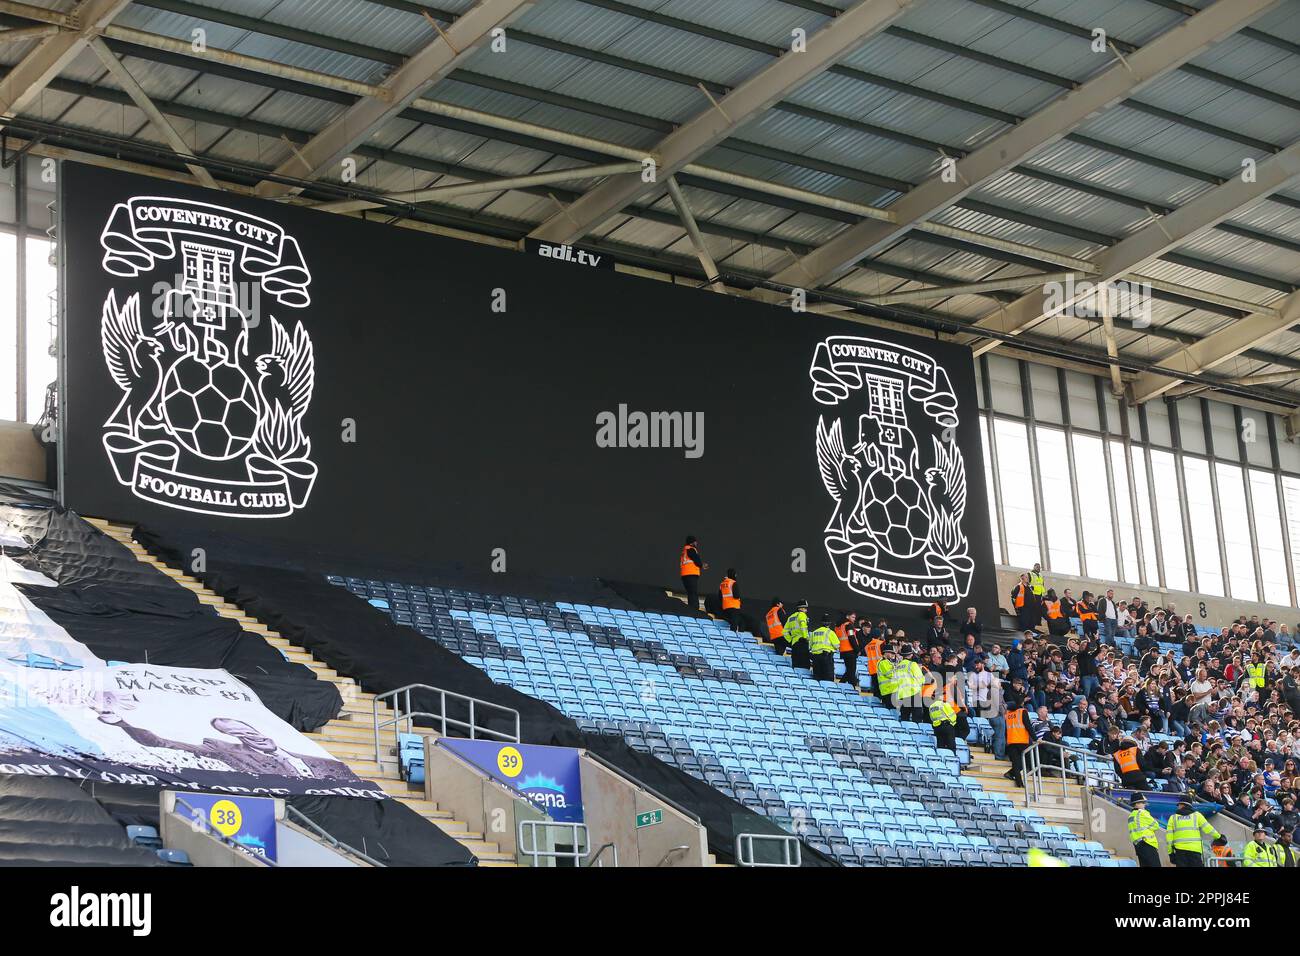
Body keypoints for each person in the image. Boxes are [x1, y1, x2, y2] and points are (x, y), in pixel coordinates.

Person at [1166, 798, 1221, 867]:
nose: (1178, 807)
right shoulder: (1197, 815)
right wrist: (1219, 837)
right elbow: (1208, 828)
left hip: (1180, 852)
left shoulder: (1173, 818)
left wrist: (1170, 853)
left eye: (1179, 805)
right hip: (1195, 850)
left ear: (1183, 805)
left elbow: (1169, 837)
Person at [1127, 794, 1161, 868]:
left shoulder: (1131, 816)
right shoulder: (1142, 813)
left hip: (1138, 845)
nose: (1144, 804)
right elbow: (1156, 826)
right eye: (1142, 802)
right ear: (1137, 803)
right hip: (1148, 844)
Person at [1004, 704, 1031, 787]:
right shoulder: (1022, 712)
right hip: (1021, 741)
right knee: (1025, 762)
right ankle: (1018, 782)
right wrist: (1035, 738)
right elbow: (1028, 726)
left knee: (1016, 763)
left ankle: (1018, 782)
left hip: (1011, 741)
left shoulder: (1008, 715)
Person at [679, 535, 705, 612]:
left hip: (685, 575)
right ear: (691, 542)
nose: (696, 543)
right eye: (695, 541)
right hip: (691, 574)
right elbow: (696, 559)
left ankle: (691, 609)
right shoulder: (691, 549)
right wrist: (701, 565)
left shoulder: (684, 550)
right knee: (693, 593)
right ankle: (695, 610)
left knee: (690, 593)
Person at [809, 613, 838, 682]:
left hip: (815, 658)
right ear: (829, 623)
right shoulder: (830, 632)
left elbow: (810, 646)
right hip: (826, 657)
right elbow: (837, 645)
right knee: (828, 679)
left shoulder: (814, 632)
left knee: (817, 679)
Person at [836, 611, 860, 688]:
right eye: (853, 617)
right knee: (851, 671)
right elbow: (851, 637)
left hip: (843, 651)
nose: (854, 619)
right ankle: (851, 687)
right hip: (850, 651)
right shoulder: (849, 625)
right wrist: (857, 650)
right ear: (847, 617)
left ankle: (842, 684)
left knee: (849, 670)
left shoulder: (839, 626)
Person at [786, 600, 810, 670]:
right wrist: (805, 638)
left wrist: (790, 640)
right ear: (801, 608)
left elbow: (784, 632)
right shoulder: (802, 615)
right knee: (804, 667)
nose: (806, 610)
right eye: (805, 608)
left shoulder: (790, 617)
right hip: (802, 643)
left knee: (795, 666)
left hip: (794, 644)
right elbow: (803, 626)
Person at [876, 644, 900, 709]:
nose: (892, 655)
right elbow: (891, 674)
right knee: (892, 710)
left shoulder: (887, 662)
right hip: (888, 691)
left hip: (891, 690)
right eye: (891, 653)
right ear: (886, 652)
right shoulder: (883, 662)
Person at [863, 630, 884, 698]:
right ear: (879, 636)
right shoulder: (881, 643)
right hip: (880, 669)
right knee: (881, 689)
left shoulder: (867, 646)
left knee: (875, 689)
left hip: (872, 669)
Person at [718, 568, 741, 632]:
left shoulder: (722, 584)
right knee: (734, 624)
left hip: (725, 607)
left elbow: (720, 597)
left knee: (730, 621)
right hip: (734, 606)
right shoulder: (733, 583)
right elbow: (736, 596)